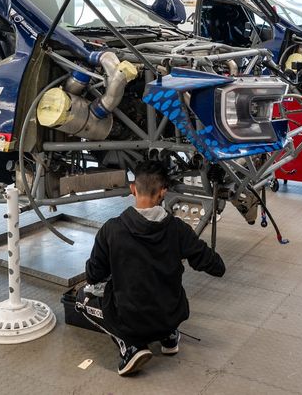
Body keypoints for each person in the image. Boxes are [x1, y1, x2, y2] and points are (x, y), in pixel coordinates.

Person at [84, 160, 225, 376]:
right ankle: (169, 336)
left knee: (82, 300)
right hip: (171, 315)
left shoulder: (111, 229)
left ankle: (131, 346)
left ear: (133, 188)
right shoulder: (178, 229)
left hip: (131, 321)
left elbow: (93, 275)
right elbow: (217, 267)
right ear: (163, 192)